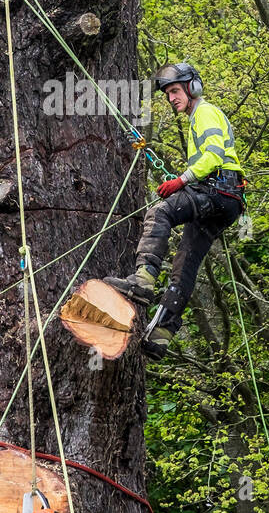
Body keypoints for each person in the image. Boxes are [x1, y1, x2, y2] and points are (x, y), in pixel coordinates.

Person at [105, 62, 247, 360]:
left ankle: (143, 280)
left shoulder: (205, 113)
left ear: (192, 87)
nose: (171, 98)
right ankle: (162, 334)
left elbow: (213, 155)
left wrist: (180, 181)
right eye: (168, 94)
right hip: (226, 198)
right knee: (185, 265)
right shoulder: (199, 117)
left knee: (161, 213)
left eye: (174, 90)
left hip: (218, 190)